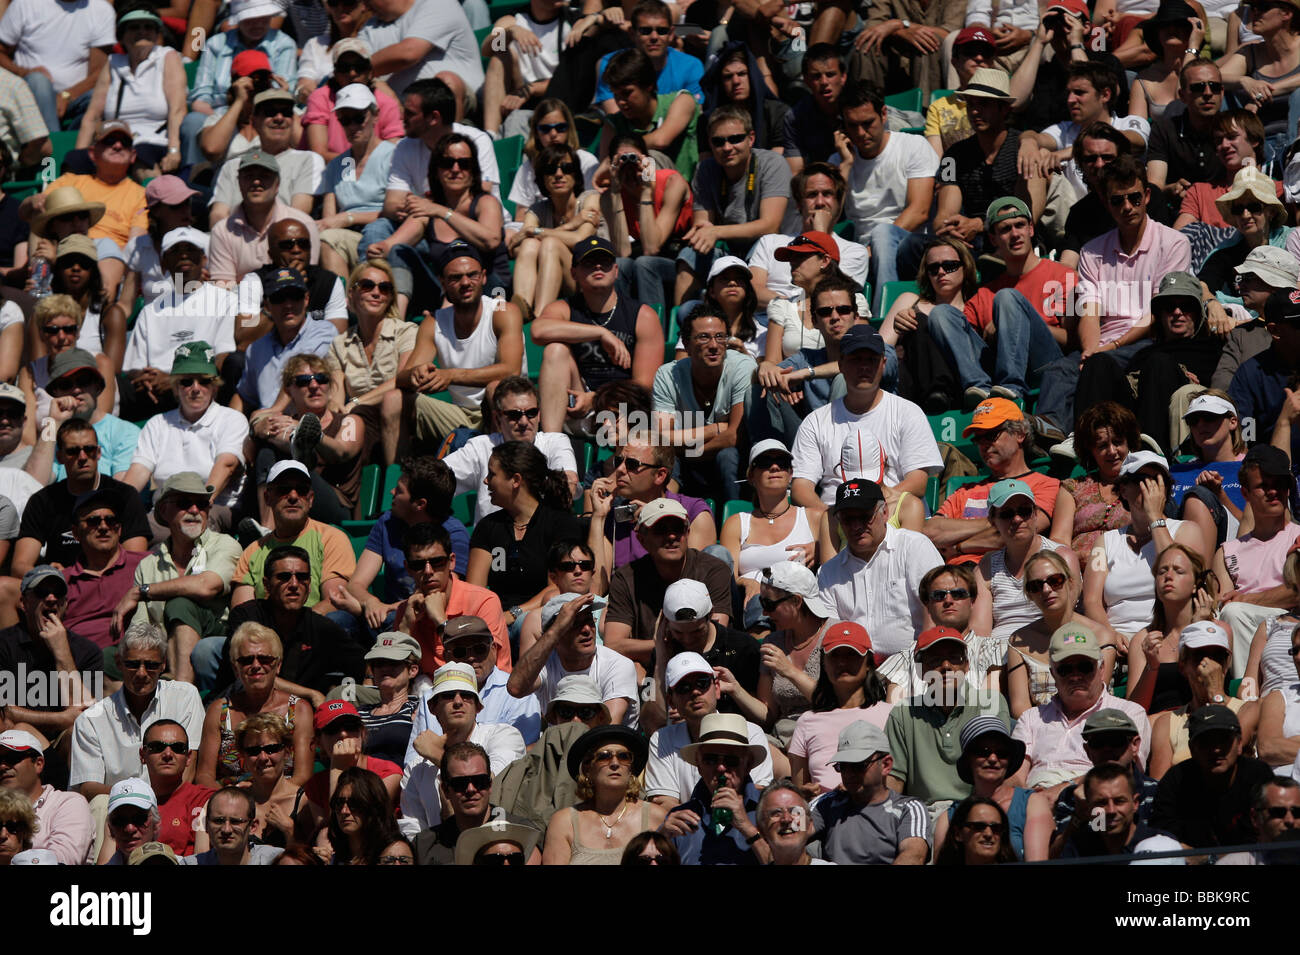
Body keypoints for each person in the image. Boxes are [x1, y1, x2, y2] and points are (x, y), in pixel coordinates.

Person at [1035, 155, 1191, 443]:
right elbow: (1089, 311)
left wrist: (1107, 349)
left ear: (1146, 195)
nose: (1127, 207)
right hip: (1103, 343)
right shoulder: (1092, 251)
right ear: (1107, 204)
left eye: (1134, 197)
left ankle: (1076, 437)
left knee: (1097, 365)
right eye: (1118, 200)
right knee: (1059, 370)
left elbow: (1159, 313)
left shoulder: (1173, 243)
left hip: (1149, 341)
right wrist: (1091, 351)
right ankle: (1054, 432)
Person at [927, 199, 1074, 411]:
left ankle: (1011, 388)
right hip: (993, 375)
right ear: (993, 238)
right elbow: (961, 338)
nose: (1014, 234)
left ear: (1031, 229)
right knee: (940, 314)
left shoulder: (1062, 275)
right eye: (1005, 229)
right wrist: (914, 312)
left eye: (1020, 225)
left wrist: (1014, 325)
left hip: (1047, 368)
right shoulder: (985, 292)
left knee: (1007, 298)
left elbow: (1072, 342)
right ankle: (979, 388)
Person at [792, 325, 943, 521]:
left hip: (892, 514)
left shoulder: (908, 412)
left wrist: (870, 510)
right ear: (841, 364)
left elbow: (918, 482)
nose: (864, 366)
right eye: (855, 359)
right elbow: (800, 488)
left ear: (883, 363)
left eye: (871, 360)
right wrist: (833, 519)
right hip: (835, 517)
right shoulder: (816, 421)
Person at [396, 242, 524, 450]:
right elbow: (401, 378)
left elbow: (511, 370)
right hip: (460, 414)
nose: (465, 282)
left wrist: (451, 375)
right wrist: (415, 374)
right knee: (395, 399)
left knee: (495, 388)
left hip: (507, 410)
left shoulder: (503, 310)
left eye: (472, 275)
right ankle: (399, 474)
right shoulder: (434, 322)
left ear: (483, 277)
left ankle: (504, 463)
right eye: (455, 278)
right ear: (443, 283)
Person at [532, 235, 664, 436]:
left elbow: (645, 384)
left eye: (605, 262)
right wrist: (601, 332)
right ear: (573, 273)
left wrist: (594, 398)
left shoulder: (642, 315)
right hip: (575, 401)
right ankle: (552, 443)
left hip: (622, 407)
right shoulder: (565, 309)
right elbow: (538, 331)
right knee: (555, 349)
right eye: (589, 263)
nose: (598, 267)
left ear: (616, 270)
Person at [119, 346, 247, 538]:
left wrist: (198, 506)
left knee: (190, 531)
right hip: (166, 511)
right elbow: (138, 472)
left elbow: (227, 465)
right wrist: (114, 506)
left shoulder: (231, 419)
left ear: (214, 386)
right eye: (187, 382)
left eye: (204, 381)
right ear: (176, 387)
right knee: (129, 533)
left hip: (213, 507)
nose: (195, 388)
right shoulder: (158, 423)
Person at [1082, 451, 1206, 645]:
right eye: (1141, 479)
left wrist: (1155, 517)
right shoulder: (1106, 542)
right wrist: (1110, 635)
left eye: (1157, 480)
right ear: (1123, 489)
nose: (1150, 487)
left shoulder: (1186, 530)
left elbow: (1178, 574)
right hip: (1115, 639)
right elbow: (1091, 600)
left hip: (1166, 635)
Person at [68, 622, 205, 798]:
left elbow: (188, 769)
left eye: (151, 665)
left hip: (173, 803)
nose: (141, 673)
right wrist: (138, 797)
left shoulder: (185, 697)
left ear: (163, 665)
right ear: (119, 663)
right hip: (116, 810)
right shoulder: (91, 720)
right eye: (133, 664)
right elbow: (89, 788)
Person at [338, 458, 467, 641]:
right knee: (336, 622)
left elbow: (442, 595)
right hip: (384, 615)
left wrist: (378, 608)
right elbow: (355, 584)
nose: (392, 492)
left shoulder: (454, 534)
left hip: (424, 619)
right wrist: (371, 602)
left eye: (399, 490)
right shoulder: (387, 523)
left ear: (420, 504)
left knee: (391, 621)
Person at [1013, 621, 1152, 790]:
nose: (1075, 676)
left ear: (1102, 668)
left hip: (1094, 799)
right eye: (1065, 670)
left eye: (1085, 667)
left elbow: (1125, 774)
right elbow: (1016, 777)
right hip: (1035, 800)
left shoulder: (1128, 713)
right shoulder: (1031, 718)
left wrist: (1060, 791)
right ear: (1053, 674)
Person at [212, 549, 365, 701]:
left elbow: (364, 662)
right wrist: (310, 694)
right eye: (284, 577)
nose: (294, 584)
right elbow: (249, 675)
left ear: (309, 585)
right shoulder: (246, 616)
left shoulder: (321, 627)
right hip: (240, 705)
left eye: (302, 577)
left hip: (296, 714)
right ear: (267, 585)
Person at [467, 440, 579, 646]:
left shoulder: (560, 524)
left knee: (522, 626)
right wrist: (493, 619)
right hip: (493, 621)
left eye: (492, 474)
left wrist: (513, 614)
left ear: (516, 480)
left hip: (541, 619)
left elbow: (557, 587)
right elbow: (475, 591)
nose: (485, 481)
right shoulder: (487, 527)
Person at [884, 625, 1010, 808]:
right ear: (920, 670)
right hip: (923, 814)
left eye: (954, 658)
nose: (946, 666)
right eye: (935, 660)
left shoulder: (990, 704)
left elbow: (999, 774)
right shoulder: (903, 713)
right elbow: (894, 779)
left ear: (967, 665)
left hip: (975, 809)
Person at [836, 82, 935, 314]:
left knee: (881, 232)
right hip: (861, 250)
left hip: (910, 244)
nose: (860, 133)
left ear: (883, 114)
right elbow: (828, 216)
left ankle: (884, 316)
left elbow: (920, 211)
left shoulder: (913, 146)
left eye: (867, 123)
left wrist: (874, 246)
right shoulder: (840, 161)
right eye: (852, 126)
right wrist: (846, 166)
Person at [817, 478, 944, 659]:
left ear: (884, 512)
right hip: (856, 668)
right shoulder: (828, 572)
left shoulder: (914, 547)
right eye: (847, 519)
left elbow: (936, 611)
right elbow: (830, 631)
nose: (856, 526)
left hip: (914, 662)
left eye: (865, 516)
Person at [674, 104, 786, 304]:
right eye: (718, 142)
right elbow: (702, 226)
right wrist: (706, 231)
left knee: (762, 244)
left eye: (735, 139)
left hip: (766, 250)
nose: (727, 148)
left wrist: (715, 231)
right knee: (689, 253)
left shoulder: (772, 163)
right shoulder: (705, 169)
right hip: (728, 250)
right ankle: (685, 325)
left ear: (751, 138)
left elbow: (770, 225)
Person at [120, 236, 240, 421]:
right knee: (119, 386)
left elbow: (223, 357)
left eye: (190, 250)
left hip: (201, 384)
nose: (183, 255)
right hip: (155, 392)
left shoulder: (225, 300)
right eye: (175, 251)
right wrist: (145, 379)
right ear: (164, 263)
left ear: (204, 259)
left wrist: (175, 380)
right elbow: (134, 366)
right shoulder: (151, 311)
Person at [925, 400, 1061, 563]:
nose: (984, 445)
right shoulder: (965, 490)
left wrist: (958, 547)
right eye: (979, 439)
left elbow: (1017, 533)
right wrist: (995, 523)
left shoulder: (1045, 485)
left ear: (1020, 434)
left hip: (1005, 574)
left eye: (991, 435)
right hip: (957, 577)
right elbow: (930, 531)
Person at [601, 498, 732, 666]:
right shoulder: (626, 577)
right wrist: (669, 646)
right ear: (641, 538)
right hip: (649, 671)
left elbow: (713, 640)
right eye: (660, 530)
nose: (671, 536)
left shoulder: (713, 570)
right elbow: (613, 645)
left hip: (705, 668)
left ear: (688, 533)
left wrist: (653, 647)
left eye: (678, 529)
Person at [386, 133, 509, 313]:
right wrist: (381, 247)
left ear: (473, 170)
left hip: (491, 289)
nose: (455, 169)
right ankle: (395, 321)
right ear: (436, 169)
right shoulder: (429, 209)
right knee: (399, 252)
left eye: (464, 164)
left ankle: (446, 313)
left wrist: (443, 212)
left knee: (459, 248)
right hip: (445, 291)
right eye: (447, 163)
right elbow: (393, 245)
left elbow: (490, 240)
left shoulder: (486, 202)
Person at [13, 419, 149, 578]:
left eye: (89, 449)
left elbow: (136, 561)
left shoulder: (125, 495)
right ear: (60, 456)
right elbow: (19, 566)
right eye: (73, 451)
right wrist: (47, 575)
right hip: (59, 589)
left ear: (98, 453)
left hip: (113, 581)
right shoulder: (43, 500)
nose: (83, 456)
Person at [400, 661, 525, 831]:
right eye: (449, 695)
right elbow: (413, 829)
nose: (458, 701)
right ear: (432, 707)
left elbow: (491, 784)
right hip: (438, 854)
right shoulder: (416, 769)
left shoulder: (504, 736)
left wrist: (438, 757)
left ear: (478, 706)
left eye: (466, 695)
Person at [248, 354, 371, 526]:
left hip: (333, 507)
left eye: (321, 379)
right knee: (268, 452)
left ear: (330, 386)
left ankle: (270, 528)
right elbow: (248, 450)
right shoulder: (286, 420)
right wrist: (258, 429)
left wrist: (313, 435)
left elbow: (341, 451)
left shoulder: (348, 421)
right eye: (303, 380)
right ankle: (267, 528)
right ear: (289, 390)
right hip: (290, 498)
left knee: (291, 462)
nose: (314, 385)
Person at [1213, 445, 1300, 678]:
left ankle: (1245, 695)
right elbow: (1221, 604)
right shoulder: (1227, 552)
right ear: (1245, 493)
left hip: (1291, 630)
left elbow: (1297, 592)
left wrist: (1246, 598)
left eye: (1279, 484)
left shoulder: (1298, 537)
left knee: (1235, 612)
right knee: (1228, 615)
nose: (1273, 492)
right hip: (1243, 632)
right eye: (1263, 486)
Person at [652, 305, 754, 502]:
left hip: (726, 461)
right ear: (686, 344)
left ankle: (735, 521)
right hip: (684, 463)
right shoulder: (667, 374)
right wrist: (715, 429)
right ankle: (665, 518)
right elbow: (663, 438)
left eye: (720, 336)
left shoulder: (742, 367)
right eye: (704, 337)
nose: (714, 345)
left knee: (728, 456)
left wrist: (691, 451)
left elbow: (734, 437)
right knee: (667, 461)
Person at [195, 621, 315, 789]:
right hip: (230, 803)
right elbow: (204, 775)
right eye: (246, 660)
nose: (256, 666)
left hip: (282, 802)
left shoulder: (300, 710)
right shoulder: (219, 710)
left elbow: (303, 776)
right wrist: (233, 800)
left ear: (278, 666)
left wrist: (265, 798)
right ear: (236, 669)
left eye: (265, 659)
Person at [644, 651, 774, 805]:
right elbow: (664, 803)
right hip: (689, 828)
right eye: (684, 687)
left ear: (717, 688)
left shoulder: (750, 732)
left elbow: (757, 795)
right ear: (670, 700)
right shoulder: (662, 739)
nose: (695, 692)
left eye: (702, 683)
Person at [444, 377, 578, 526]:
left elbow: (569, 485)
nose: (524, 422)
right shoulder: (482, 446)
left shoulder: (555, 442)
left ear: (539, 414)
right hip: (490, 544)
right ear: (497, 417)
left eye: (531, 413)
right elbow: (437, 478)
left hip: (542, 541)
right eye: (514, 415)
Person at [230, 461, 356, 615]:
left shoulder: (331, 539)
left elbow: (335, 601)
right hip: (263, 635)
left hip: (315, 631)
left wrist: (295, 629)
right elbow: (241, 612)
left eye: (301, 490)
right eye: (283, 490)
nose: (293, 496)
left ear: (310, 499)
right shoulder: (252, 551)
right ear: (267, 497)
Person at [934, 69, 1039, 252]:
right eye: (970, 104)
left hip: (1012, 239)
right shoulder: (953, 155)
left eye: (984, 104)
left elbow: (1025, 216)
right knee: (911, 247)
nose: (974, 111)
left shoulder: (1022, 149)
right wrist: (949, 229)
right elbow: (944, 212)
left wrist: (981, 224)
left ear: (1004, 108)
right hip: (967, 241)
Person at [70, 9, 182, 180]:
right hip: (114, 140)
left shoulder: (167, 56)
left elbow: (178, 109)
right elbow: (92, 116)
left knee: (141, 154)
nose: (142, 31)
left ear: (157, 34)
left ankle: (153, 200)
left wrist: (173, 150)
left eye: (148, 27)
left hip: (153, 140)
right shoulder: (113, 62)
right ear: (122, 36)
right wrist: (80, 154)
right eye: (134, 27)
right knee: (75, 160)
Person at [323, 260, 413, 467]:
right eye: (367, 286)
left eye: (384, 288)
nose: (376, 292)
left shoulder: (406, 332)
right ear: (352, 294)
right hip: (358, 421)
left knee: (359, 416)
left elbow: (403, 380)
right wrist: (336, 409)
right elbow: (337, 394)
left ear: (390, 297)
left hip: (399, 418)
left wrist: (355, 403)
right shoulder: (339, 343)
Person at [1007, 550, 1117, 717]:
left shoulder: (1101, 636)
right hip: (1040, 727)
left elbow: (1096, 696)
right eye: (1036, 586)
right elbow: (1020, 707)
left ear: (1070, 582)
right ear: (1029, 594)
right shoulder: (1018, 642)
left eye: (1055, 581)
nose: (1046, 589)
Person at [787, 622, 892, 795]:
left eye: (852, 655)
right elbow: (800, 790)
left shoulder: (891, 715)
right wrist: (808, 795)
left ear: (868, 664)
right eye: (834, 655)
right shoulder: (807, 721)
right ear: (824, 663)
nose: (842, 662)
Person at [0, 566, 103, 740]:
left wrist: (62, 653)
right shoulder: (3, 644)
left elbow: (87, 717)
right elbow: (4, 713)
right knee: (18, 729)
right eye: (41, 592)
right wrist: (61, 719)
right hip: (15, 741)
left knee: (78, 734)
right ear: (23, 603)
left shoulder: (88, 651)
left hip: (61, 744)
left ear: (66, 604)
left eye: (59, 592)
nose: (51, 598)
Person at [1150, 704, 1275, 846]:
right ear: (1192, 749)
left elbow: (1269, 831)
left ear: (1239, 744)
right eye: (1206, 742)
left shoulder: (1258, 776)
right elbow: (1162, 835)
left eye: (1224, 740)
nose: (1216, 749)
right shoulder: (1175, 780)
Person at [393, 525, 511, 675]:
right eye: (418, 565)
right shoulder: (407, 610)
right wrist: (406, 626)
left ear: (452, 561)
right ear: (408, 568)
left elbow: (481, 671)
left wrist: (441, 622)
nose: (428, 571)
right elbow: (394, 677)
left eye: (437, 562)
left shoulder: (483, 601)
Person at [810, 720, 931, 865]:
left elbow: (913, 856)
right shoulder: (826, 804)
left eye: (858, 765)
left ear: (886, 765)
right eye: (842, 766)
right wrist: (795, 800)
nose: (848, 774)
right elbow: (790, 829)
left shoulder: (909, 809)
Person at [931, 715, 1051, 860]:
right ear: (968, 759)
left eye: (1002, 753)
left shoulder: (1032, 803)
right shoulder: (949, 817)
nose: (993, 759)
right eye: (983, 751)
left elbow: (1036, 863)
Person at [719, 440, 818, 617]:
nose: (774, 467)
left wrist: (819, 546)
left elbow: (841, 555)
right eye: (765, 463)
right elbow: (728, 578)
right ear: (751, 476)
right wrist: (746, 582)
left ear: (790, 474)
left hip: (796, 607)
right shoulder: (737, 523)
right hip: (747, 605)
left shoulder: (813, 518)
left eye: (782, 463)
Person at [509, 592, 639, 726]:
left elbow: (607, 729)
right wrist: (554, 632)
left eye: (589, 620)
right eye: (575, 624)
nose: (587, 629)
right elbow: (516, 688)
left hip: (604, 746)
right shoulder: (544, 664)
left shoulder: (617, 665)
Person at [542, 724, 665, 864]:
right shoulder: (564, 821)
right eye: (604, 757)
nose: (615, 763)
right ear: (587, 768)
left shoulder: (656, 817)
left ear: (631, 769)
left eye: (624, 756)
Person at [1149, 620, 1259, 776]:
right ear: (1182, 666)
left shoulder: (1248, 709)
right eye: (1199, 656)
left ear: (1226, 664)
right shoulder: (1167, 723)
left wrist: (1216, 694)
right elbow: (1160, 783)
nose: (1208, 664)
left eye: (1217, 657)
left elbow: (1225, 750)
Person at [878, 564, 1003, 701]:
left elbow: (990, 708)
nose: (948, 601)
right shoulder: (904, 659)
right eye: (939, 595)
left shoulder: (993, 649)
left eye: (958, 594)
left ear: (972, 601)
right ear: (927, 605)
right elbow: (896, 714)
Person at [592, 433, 715, 570]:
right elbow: (596, 588)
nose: (620, 469)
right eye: (618, 461)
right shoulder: (614, 519)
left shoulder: (693, 512)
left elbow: (691, 581)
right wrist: (598, 517)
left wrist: (657, 519)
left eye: (631, 464)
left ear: (660, 475)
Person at [658, 713, 768, 865]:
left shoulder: (772, 808)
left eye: (731, 760)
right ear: (698, 764)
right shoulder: (679, 819)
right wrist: (660, 840)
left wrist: (748, 828)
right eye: (710, 759)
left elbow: (791, 861)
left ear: (748, 764)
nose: (721, 768)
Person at [876, 238, 971, 414]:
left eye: (949, 266)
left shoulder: (976, 306)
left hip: (961, 387)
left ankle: (940, 393)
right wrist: (899, 330)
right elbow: (880, 351)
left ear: (964, 267)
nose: (941, 272)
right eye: (933, 269)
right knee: (918, 321)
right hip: (913, 389)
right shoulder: (910, 301)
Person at [508, 143, 602, 318]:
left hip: (585, 277)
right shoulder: (538, 209)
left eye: (566, 168)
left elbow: (580, 239)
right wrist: (569, 226)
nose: (559, 174)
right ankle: (523, 310)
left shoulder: (591, 199)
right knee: (530, 244)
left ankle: (542, 315)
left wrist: (535, 232)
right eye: (551, 169)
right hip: (551, 277)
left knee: (548, 243)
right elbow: (515, 247)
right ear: (542, 178)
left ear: (576, 174)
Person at [1050, 707, 1161, 855]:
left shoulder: (1156, 791)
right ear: (1087, 750)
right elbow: (1059, 856)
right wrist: (1079, 816)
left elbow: (1169, 846)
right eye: (1098, 742)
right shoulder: (1072, 796)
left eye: (1116, 741)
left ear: (1135, 745)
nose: (1107, 749)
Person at [292, 699, 402, 845]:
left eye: (351, 727)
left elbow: (356, 827)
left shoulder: (388, 773)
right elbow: (331, 832)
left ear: (362, 733)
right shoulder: (315, 785)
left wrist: (338, 768)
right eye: (332, 730)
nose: (343, 734)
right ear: (319, 742)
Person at [413, 740, 540, 865]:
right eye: (460, 784)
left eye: (479, 781)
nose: (471, 789)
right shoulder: (424, 845)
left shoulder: (522, 832)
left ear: (490, 785)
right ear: (446, 790)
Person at [208, 153, 322, 288]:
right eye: (249, 176)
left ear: (277, 184)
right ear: (239, 183)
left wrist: (245, 284)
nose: (256, 182)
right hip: (241, 305)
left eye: (265, 176)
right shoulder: (222, 230)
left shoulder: (303, 224)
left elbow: (308, 275)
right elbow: (222, 288)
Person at [317, 84, 399, 272]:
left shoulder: (393, 156)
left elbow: (398, 210)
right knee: (325, 239)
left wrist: (350, 217)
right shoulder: (337, 165)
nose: (353, 127)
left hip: (385, 233)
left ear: (375, 115)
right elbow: (329, 219)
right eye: (345, 120)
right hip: (348, 236)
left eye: (359, 118)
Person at [0, 0, 113, 133]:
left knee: (100, 97)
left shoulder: (101, 10)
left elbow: (99, 71)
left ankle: (79, 149)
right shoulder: (25, 4)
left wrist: (67, 96)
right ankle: (51, 149)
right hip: (30, 96)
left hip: (75, 97)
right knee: (39, 81)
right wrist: (23, 72)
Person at [236, 266, 337, 413]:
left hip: (306, 423)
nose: (288, 305)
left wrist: (272, 412)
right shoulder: (256, 349)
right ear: (267, 306)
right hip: (265, 427)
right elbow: (244, 396)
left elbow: (299, 377)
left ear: (307, 299)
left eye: (295, 296)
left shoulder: (324, 333)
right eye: (279, 298)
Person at [597, 48, 699, 189]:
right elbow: (606, 173)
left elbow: (661, 140)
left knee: (650, 158)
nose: (620, 102)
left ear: (648, 85)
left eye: (627, 93)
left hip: (681, 196)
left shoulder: (682, 100)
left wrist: (621, 153)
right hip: (632, 199)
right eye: (616, 95)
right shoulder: (613, 124)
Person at [61, 489, 148, 653]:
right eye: (93, 521)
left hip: (132, 663)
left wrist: (141, 591)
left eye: (111, 520)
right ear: (76, 533)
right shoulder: (63, 580)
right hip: (79, 666)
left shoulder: (145, 563)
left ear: (120, 529)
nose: (103, 526)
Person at [1051, 401, 1137, 566]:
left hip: (1126, 567)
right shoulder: (1072, 487)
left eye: (1117, 442)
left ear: (1128, 442)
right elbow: (1059, 539)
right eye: (1103, 445)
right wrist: (1076, 560)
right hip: (1077, 570)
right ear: (1090, 451)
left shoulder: (1143, 484)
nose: (1112, 451)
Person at [1218, 0, 1300, 163]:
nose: (1254, 13)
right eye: (1253, 8)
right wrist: (1243, 80)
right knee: (1222, 94)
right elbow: (1216, 77)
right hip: (1259, 144)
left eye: (1262, 7)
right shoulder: (1251, 52)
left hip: (1293, 139)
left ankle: (1294, 159)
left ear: (1286, 14)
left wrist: (1265, 92)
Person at [0, 729, 93, 865]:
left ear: (38, 764)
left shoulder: (68, 803)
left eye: (12, 758)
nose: (2, 766)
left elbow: (63, 859)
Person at [358, 0, 483, 102]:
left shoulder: (438, 3)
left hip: (456, 103)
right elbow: (352, 60)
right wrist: (376, 83)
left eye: (366, 0)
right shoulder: (370, 27)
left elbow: (408, 53)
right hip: (399, 111)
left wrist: (358, 69)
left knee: (444, 82)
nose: (363, 8)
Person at [1056, 762, 1182, 859]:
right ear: (1088, 808)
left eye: (1119, 801)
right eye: (1101, 803)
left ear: (1135, 803)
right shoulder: (1078, 847)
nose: (1111, 810)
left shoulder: (1162, 846)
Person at [1146, 59, 1227, 201]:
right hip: (1180, 208)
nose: (1208, 93)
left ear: (1222, 93)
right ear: (1182, 95)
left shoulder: (1235, 129)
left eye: (1214, 87)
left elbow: (1247, 178)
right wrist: (1170, 189)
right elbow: (1155, 186)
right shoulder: (1164, 130)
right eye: (1198, 87)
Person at [140, 718, 212, 858]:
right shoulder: (130, 805)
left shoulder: (205, 800)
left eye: (178, 748)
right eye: (157, 747)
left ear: (188, 757)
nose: (168, 754)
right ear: (142, 755)